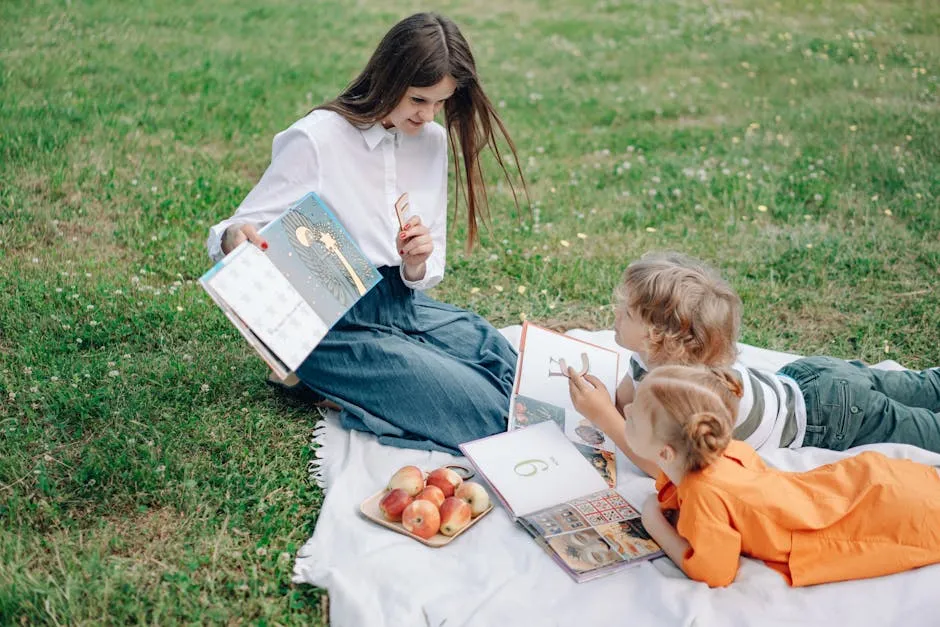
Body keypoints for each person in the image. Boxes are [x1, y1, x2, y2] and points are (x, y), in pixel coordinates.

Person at [206, 13, 526, 454]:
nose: (428, 115)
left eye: (440, 102)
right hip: (333, 325)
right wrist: (234, 238)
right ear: (389, 78)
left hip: (401, 306)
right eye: (418, 99)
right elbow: (235, 228)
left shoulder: (430, 141)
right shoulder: (319, 139)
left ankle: (337, 389)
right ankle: (318, 379)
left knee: (509, 368)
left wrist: (416, 261)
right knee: (486, 413)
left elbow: (423, 274)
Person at [567, 251, 940, 476]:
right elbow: (627, 399)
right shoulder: (653, 357)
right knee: (925, 387)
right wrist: (607, 402)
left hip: (831, 419)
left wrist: (603, 417)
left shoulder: (685, 396)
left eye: (627, 312)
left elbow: (659, 465)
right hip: (812, 378)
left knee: (928, 431)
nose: (615, 314)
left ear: (660, 336)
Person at [602, 365, 940, 587]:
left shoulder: (704, 493)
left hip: (885, 514)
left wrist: (653, 522)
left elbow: (715, 571)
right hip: (871, 483)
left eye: (631, 420)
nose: (626, 411)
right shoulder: (726, 449)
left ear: (665, 453)